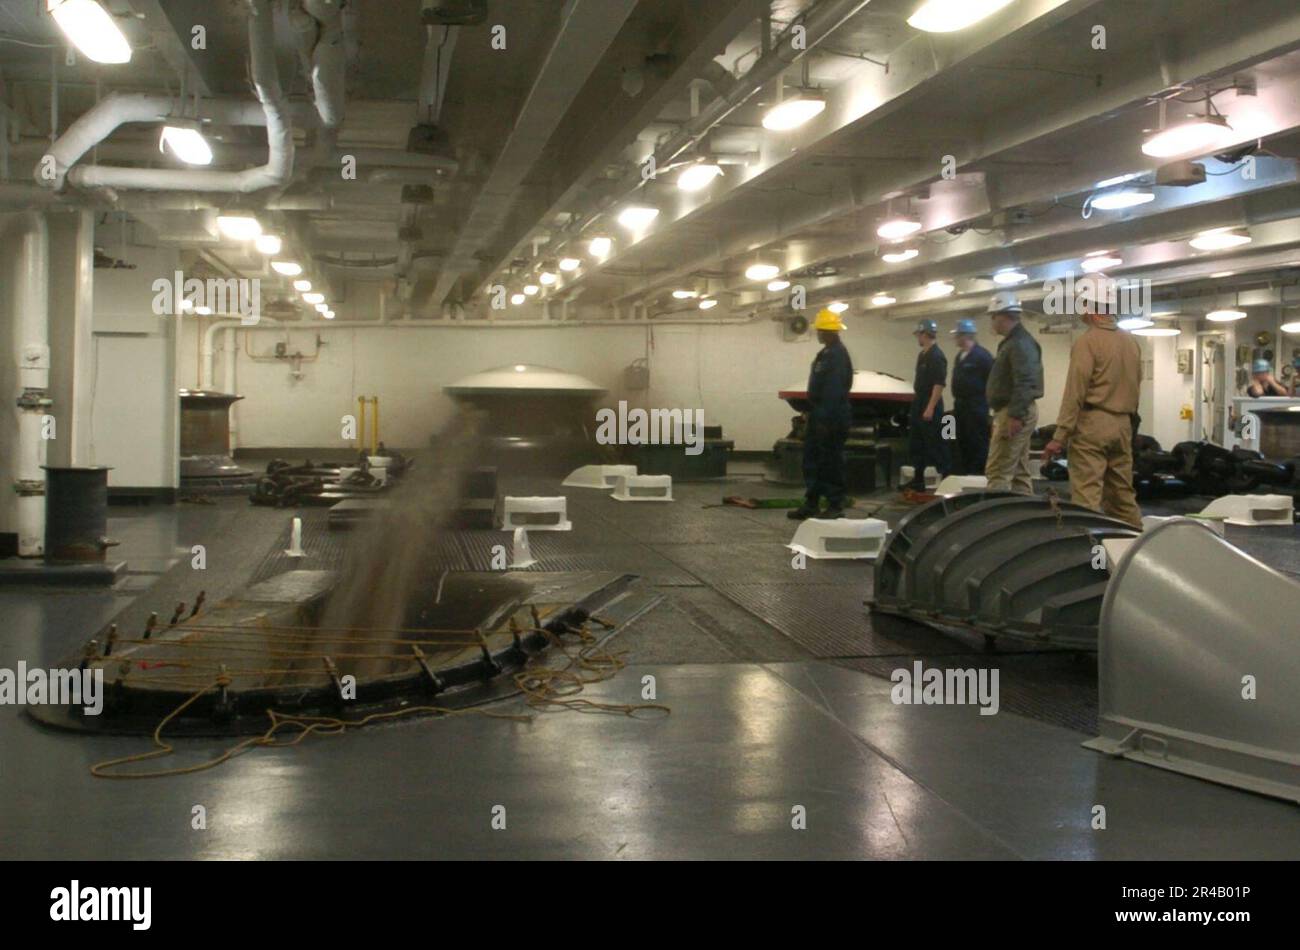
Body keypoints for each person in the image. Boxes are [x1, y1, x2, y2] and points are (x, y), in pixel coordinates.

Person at [1042, 289, 1143, 529]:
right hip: (1123, 425)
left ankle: (1087, 555)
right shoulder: (1131, 342)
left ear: (1090, 307)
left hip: (1093, 425)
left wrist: (1060, 436)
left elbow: (1075, 391)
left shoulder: (1088, 341)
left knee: (1086, 497)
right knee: (1122, 497)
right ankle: (1133, 550)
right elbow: (1136, 385)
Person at [789, 308, 854, 520]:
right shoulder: (827, 353)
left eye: (819, 330)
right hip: (820, 414)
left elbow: (834, 390)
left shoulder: (837, 355)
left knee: (831, 461)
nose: (817, 334)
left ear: (828, 332)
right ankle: (812, 502)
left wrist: (825, 419)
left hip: (831, 417)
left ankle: (835, 504)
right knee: (813, 460)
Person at [983, 292, 1044, 493]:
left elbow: (1026, 381)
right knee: (1019, 470)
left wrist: (1015, 415)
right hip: (1014, 410)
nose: (992, 321)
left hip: (1014, 411)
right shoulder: (1014, 342)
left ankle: (996, 520)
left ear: (1004, 316)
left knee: (998, 470)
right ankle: (1025, 516)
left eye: (993, 316)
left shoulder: (1019, 343)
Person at [903, 318, 950, 493]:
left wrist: (930, 407)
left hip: (931, 402)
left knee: (935, 443)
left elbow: (939, 384)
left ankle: (946, 477)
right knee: (917, 443)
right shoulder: (923, 354)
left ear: (925, 334)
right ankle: (918, 480)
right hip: (920, 400)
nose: (918, 338)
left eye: (919, 335)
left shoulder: (937, 356)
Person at [949, 318, 993, 475]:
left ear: (965, 336)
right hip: (960, 405)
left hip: (976, 405)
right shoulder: (960, 356)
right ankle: (966, 473)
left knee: (977, 441)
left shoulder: (982, 356)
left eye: (957, 335)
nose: (955, 338)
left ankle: (979, 474)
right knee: (963, 441)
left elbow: (992, 380)